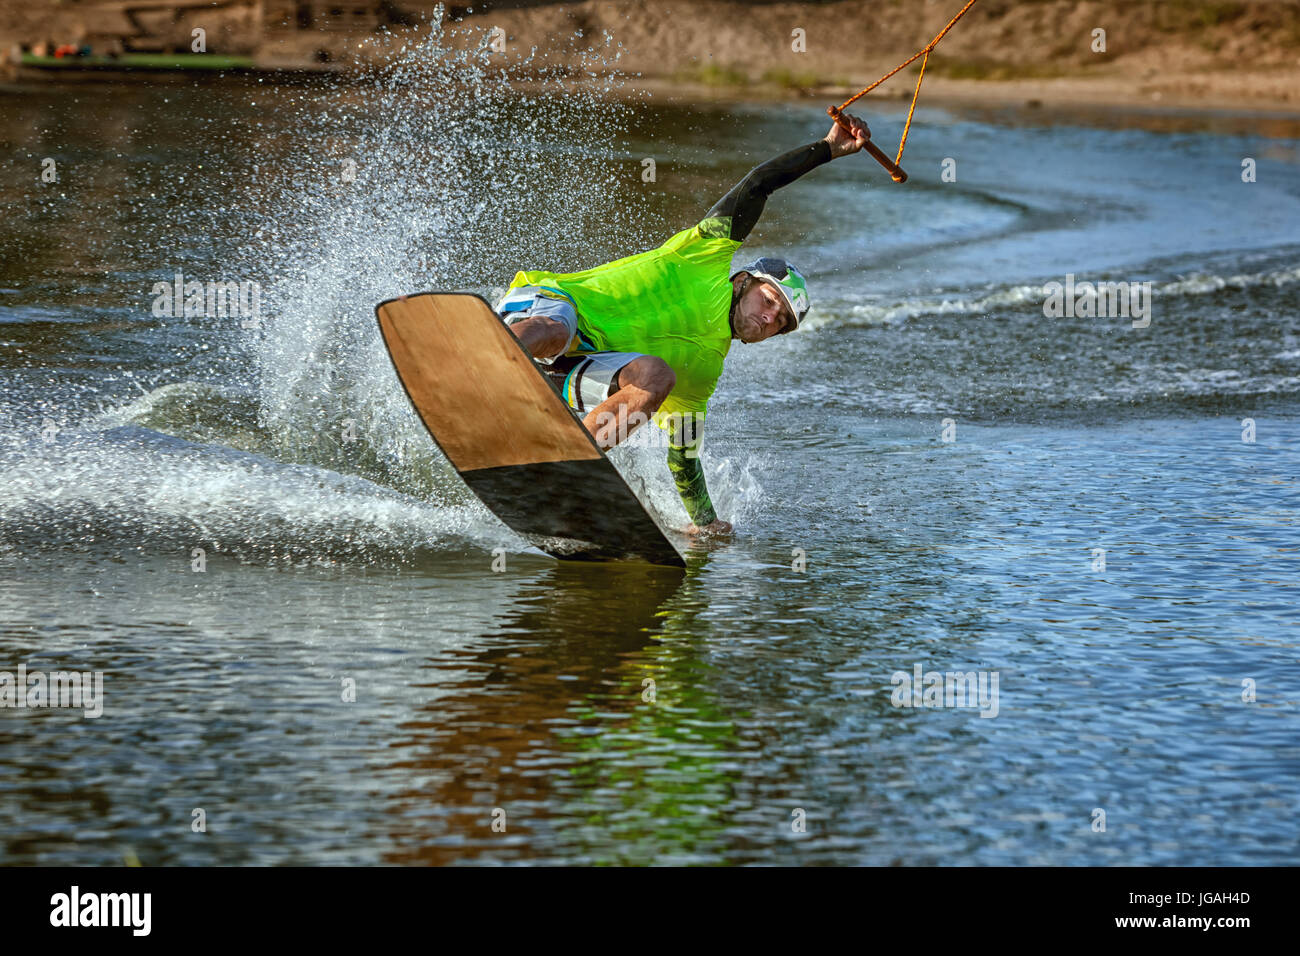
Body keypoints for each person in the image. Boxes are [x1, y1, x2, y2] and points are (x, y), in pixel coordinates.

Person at [495, 112, 872, 537]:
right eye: (769, 301)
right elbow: (758, 184)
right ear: (744, 280)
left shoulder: (704, 372)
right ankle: (486, 355)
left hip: (561, 375)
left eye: (779, 321)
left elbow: (684, 458)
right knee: (557, 329)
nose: (770, 318)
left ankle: (566, 464)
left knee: (655, 376)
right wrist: (827, 149)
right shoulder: (705, 255)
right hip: (542, 308)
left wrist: (705, 523)